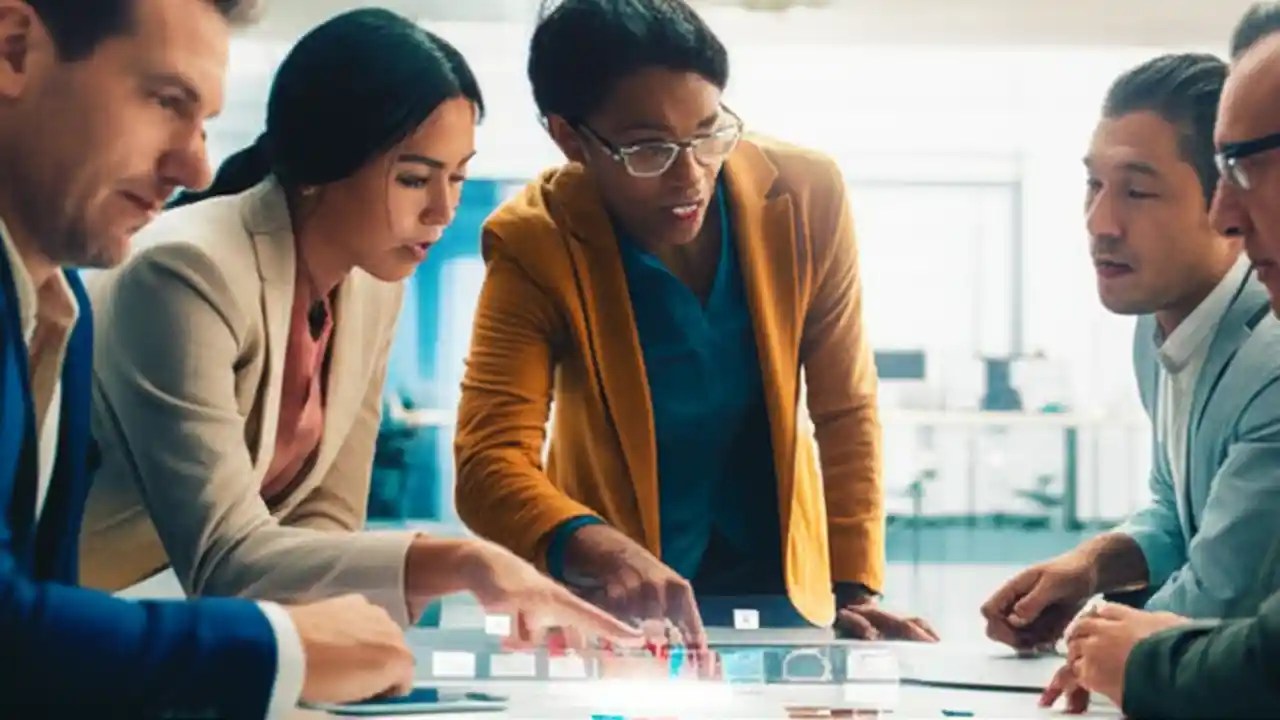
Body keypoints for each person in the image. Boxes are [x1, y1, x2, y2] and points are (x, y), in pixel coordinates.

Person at [78, 6, 640, 646]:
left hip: (187, 630)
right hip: (74, 623)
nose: (443, 210)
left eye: (456, 178)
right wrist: (459, 561)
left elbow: (325, 519)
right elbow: (224, 558)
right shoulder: (185, 273)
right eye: (413, 178)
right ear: (322, 164)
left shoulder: (373, 284)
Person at [454, 0, 933, 644]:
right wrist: (598, 548)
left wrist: (855, 586)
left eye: (708, 132)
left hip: (785, 583)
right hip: (624, 597)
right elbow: (489, 462)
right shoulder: (535, 242)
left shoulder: (804, 195)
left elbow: (844, 405)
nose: (690, 176)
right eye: (648, 148)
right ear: (569, 138)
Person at [0, 0, 426, 715]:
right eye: (166, 101)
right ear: (13, 49)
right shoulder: (173, 274)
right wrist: (278, 649)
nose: (196, 165)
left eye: (202, 123)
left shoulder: (56, 301)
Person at [983, 52, 1280, 656]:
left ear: (1223, 205)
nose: (1101, 223)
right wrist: (1091, 567)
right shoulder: (1157, 327)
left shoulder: (1270, 359)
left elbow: (1221, 597)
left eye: (1138, 192)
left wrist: (1092, 640)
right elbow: (1176, 509)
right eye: (1094, 185)